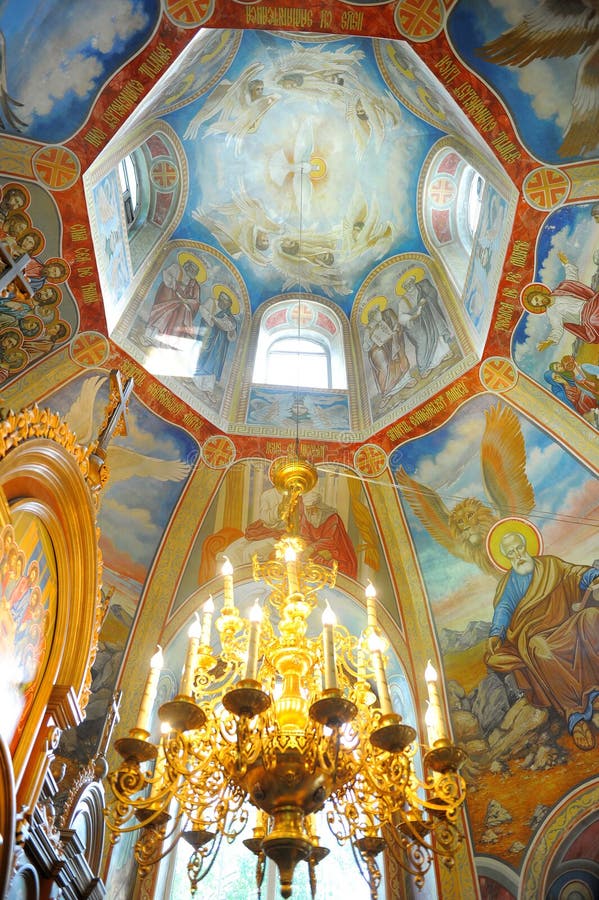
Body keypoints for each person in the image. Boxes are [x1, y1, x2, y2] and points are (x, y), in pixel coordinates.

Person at [484, 530, 599, 750]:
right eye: (511, 553)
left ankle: (594, 693)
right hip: (536, 635)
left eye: (518, 548)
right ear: (506, 558)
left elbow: (573, 573)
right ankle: (574, 714)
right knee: (541, 650)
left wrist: (590, 575)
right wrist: (496, 633)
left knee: (592, 618)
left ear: (526, 545)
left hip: (566, 623)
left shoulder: (550, 565)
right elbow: (504, 609)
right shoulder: (509, 583)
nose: (517, 554)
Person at [523, 252, 599, 349]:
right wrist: (550, 341)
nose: (540, 302)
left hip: (591, 305)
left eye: (537, 299)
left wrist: (566, 263)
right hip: (586, 319)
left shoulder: (560, 291)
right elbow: (557, 329)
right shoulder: (552, 312)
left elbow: (571, 279)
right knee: (593, 319)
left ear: (540, 293)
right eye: (537, 304)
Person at [396, 273, 452, 378]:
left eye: (410, 283)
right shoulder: (403, 301)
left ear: (413, 282)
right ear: (404, 288)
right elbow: (401, 318)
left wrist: (427, 300)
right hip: (416, 325)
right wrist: (415, 313)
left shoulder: (421, 288)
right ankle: (424, 367)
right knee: (423, 340)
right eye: (406, 285)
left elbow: (432, 294)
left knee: (436, 329)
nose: (409, 286)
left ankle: (444, 353)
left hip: (429, 316)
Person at [299, 490, 357, 579]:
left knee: (331, 566)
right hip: (315, 552)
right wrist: (309, 549)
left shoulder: (332, 517)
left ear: (319, 506)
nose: (310, 512)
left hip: (333, 551)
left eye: (312, 508)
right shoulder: (306, 517)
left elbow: (330, 540)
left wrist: (312, 548)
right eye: (308, 509)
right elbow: (304, 536)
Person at [146, 256, 202, 345]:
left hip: (182, 305)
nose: (194, 272)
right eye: (192, 269)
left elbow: (196, 301)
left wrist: (187, 301)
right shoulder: (176, 269)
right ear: (187, 266)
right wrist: (176, 285)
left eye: (196, 272)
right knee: (169, 311)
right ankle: (152, 335)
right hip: (169, 298)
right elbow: (166, 275)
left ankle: (167, 342)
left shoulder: (195, 285)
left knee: (183, 311)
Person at [362, 301, 412, 397]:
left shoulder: (387, 314)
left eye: (376, 311)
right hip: (380, 351)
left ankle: (405, 381)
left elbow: (397, 324)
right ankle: (388, 392)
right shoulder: (368, 328)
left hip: (393, 343)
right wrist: (372, 339)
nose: (376, 314)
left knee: (399, 356)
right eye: (372, 313)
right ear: (370, 317)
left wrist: (395, 332)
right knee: (385, 367)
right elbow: (365, 347)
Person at [195, 288, 238, 399]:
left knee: (213, 364)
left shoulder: (230, 317)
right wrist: (212, 319)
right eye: (222, 301)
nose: (223, 305)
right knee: (200, 354)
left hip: (218, 346)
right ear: (219, 298)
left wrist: (231, 330)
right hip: (206, 336)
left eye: (226, 304)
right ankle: (193, 379)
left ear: (229, 305)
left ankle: (208, 389)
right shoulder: (211, 302)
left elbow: (233, 337)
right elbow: (202, 309)